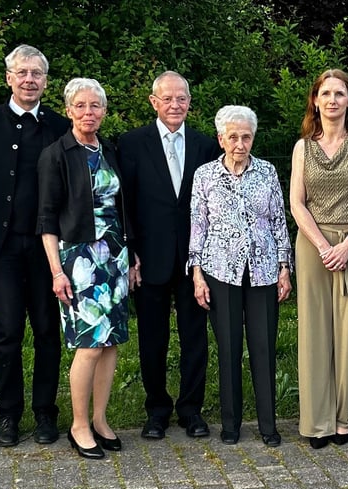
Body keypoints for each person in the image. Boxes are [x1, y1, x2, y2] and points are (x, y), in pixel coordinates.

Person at [0, 45, 69, 448]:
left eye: (37, 74)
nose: (29, 80)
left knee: (46, 330)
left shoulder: (60, 127)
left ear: (45, 81)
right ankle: (8, 415)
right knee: (6, 331)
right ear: (8, 77)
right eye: (22, 72)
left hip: (46, 248)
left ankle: (44, 413)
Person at [117, 71, 221, 441]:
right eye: (167, 98)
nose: (175, 105)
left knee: (195, 338)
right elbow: (123, 203)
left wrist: (206, 261)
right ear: (153, 102)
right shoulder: (130, 144)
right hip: (150, 258)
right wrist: (131, 255)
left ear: (190, 103)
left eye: (182, 99)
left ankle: (192, 410)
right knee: (153, 338)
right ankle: (156, 410)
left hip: (194, 262)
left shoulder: (207, 146)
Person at [38, 78, 135, 460]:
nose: (88, 113)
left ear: (104, 112)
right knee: (89, 346)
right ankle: (78, 424)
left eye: (96, 106)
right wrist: (56, 272)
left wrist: (132, 255)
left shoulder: (109, 149)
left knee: (110, 343)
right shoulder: (56, 154)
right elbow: (46, 219)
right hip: (79, 261)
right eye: (81, 105)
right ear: (68, 110)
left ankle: (99, 419)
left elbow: (122, 206)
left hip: (114, 257)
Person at [188, 105, 293, 447]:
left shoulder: (266, 172)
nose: (239, 143)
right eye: (232, 136)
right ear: (221, 139)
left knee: (263, 348)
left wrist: (284, 268)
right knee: (228, 349)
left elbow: (279, 221)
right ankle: (230, 425)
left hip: (263, 271)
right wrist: (197, 275)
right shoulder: (205, 175)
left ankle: (268, 426)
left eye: (246, 136)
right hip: (220, 271)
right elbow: (198, 226)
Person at [290, 69, 348, 449]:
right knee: (314, 333)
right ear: (315, 100)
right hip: (313, 243)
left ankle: (342, 418)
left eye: (339, 94)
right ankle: (316, 421)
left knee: (347, 332)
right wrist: (323, 246)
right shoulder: (301, 147)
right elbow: (296, 201)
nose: (332, 100)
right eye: (325, 93)